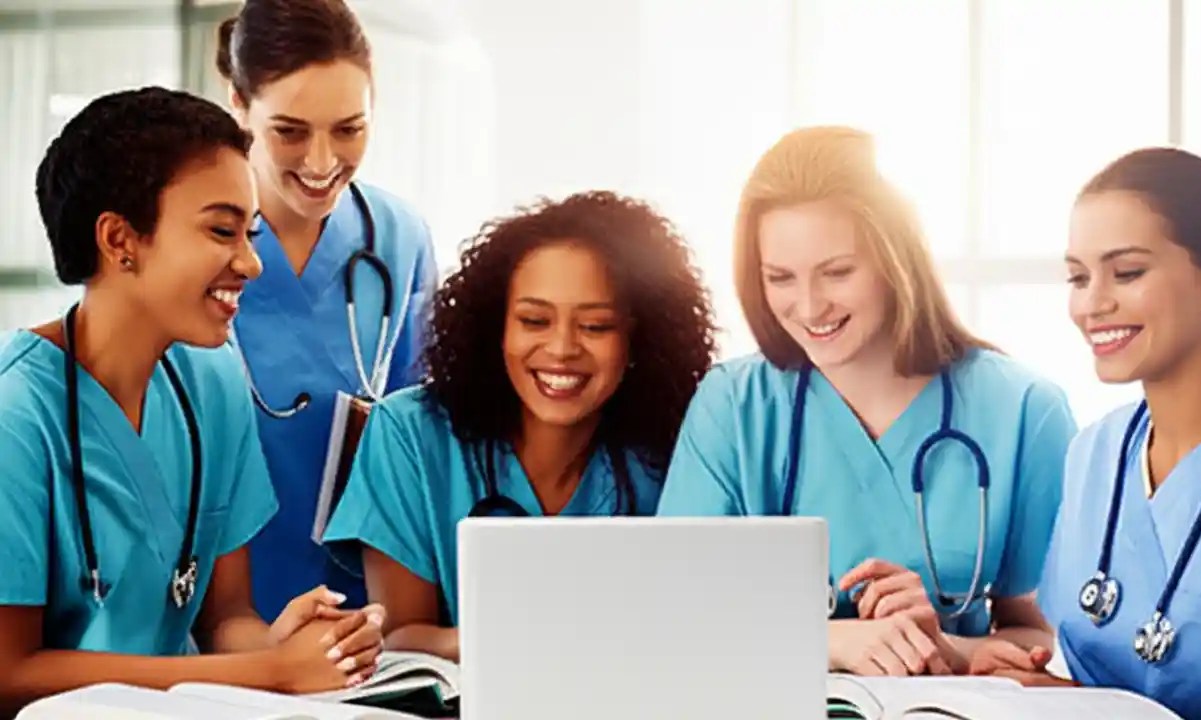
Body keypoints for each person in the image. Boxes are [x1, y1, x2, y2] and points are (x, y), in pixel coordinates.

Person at [0, 87, 385, 716]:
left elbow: (225, 615)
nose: (251, 263)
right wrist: (268, 671)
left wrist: (289, 651)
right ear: (119, 239)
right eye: (221, 230)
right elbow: (7, 672)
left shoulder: (213, 377)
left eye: (251, 233)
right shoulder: (16, 413)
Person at [655, 126, 1078, 677]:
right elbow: (676, 612)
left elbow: (1037, 631)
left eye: (837, 272)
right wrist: (834, 641)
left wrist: (947, 646)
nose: (809, 307)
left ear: (896, 260)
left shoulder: (1024, 411)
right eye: (779, 277)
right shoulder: (733, 406)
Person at [322, 191, 719, 661]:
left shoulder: (680, 447)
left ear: (639, 338)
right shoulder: (408, 433)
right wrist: (540, 644)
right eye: (534, 320)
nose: (562, 348)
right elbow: (400, 635)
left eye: (596, 326)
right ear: (496, 326)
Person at [972, 148, 1201, 720]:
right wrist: (1050, 694)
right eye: (1078, 277)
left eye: (1128, 272)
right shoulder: (1095, 454)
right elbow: (1110, 680)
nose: (1093, 303)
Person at [216, 0, 439, 621]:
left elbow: (422, 436)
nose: (321, 162)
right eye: (289, 131)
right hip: (224, 619)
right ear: (238, 103)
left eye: (349, 129)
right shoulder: (192, 245)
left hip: (375, 620)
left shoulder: (400, 238)